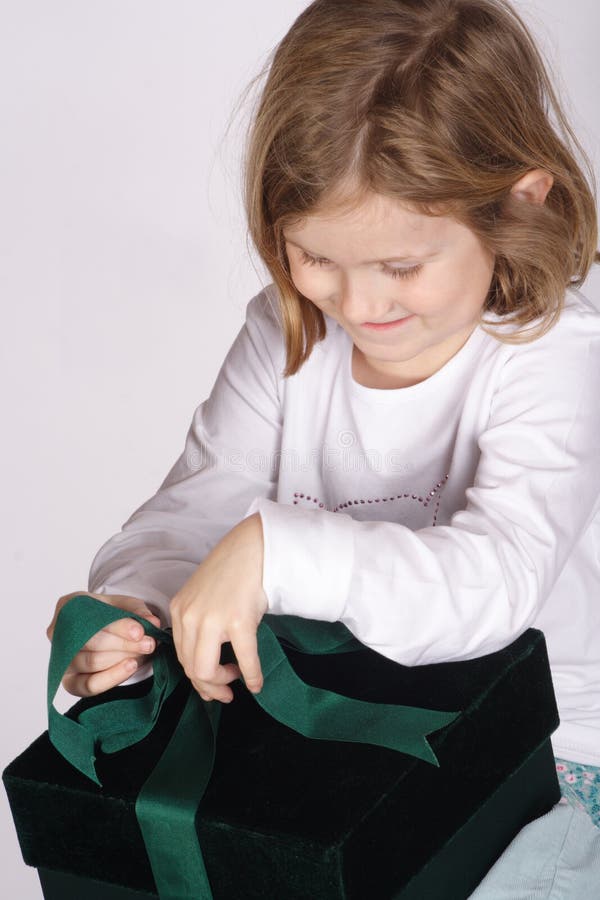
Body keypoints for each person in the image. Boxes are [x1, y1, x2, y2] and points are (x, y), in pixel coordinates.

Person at [46, 0, 600, 889]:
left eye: (401, 266)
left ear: (515, 204)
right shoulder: (287, 331)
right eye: (315, 256)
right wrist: (138, 608)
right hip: (338, 736)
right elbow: (198, 502)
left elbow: (497, 579)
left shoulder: (553, 352)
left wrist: (279, 550)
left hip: (553, 763)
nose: (357, 303)